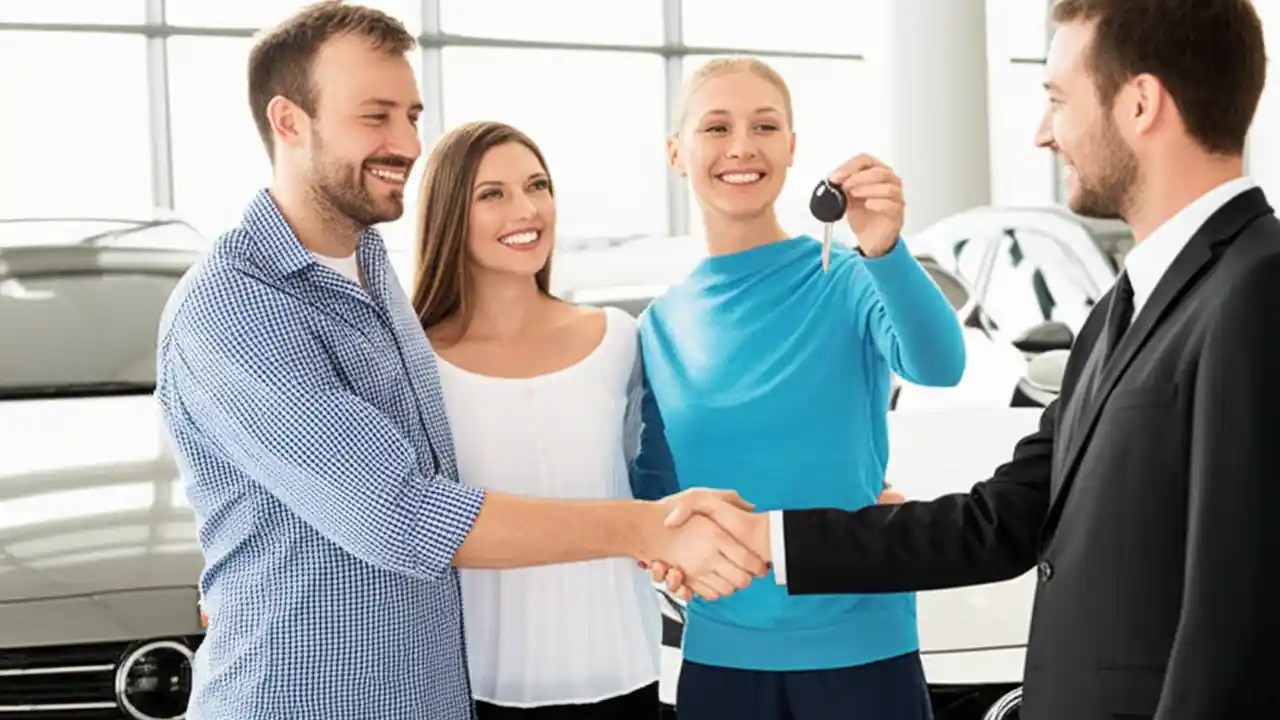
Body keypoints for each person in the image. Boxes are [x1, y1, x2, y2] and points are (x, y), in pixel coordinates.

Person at [659, 2, 1280, 718]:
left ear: (1139, 104)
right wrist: (769, 537)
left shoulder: (1258, 289)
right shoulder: (1122, 307)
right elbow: (1003, 521)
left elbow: (1242, 619)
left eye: (1056, 100)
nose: (1044, 133)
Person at [153, 5, 766, 720]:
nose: (407, 143)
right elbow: (402, 516)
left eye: (412, 115)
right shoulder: (235, 304)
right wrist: (643, 528)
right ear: (289, 122)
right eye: (375, 117)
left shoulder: (371, 270)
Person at [637, 57, 966, 720]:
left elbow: (938, 364)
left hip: (863, 654)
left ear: (791, 149)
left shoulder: (846, 278)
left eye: (765, 126)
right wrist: (662, 553)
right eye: (716, 127)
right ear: (676, 152)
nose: (741, 146)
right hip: (722, 663)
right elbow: (654, 491)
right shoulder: (658, 326)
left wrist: (884, 249)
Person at [410, 120, 667, 719]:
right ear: (450, 213)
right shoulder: (414, 362)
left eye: (537, 185)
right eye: (491, 193)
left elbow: (660, 477)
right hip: (471, 683)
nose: (526, 210)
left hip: (623, 669)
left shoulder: (617, 339)